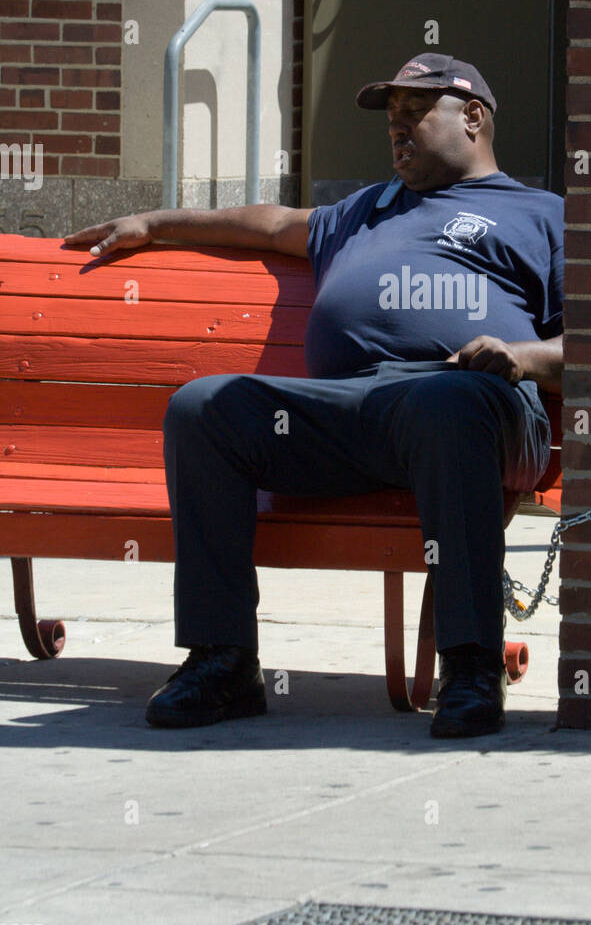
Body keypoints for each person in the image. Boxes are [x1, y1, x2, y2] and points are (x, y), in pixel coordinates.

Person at [65, 53, 564, 738]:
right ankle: (223, 660)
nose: (398, 131)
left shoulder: (542, 216)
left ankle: (472, 666)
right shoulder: (364, 211)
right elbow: (270, 226)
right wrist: (154, 223)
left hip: (479, 403)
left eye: (415, 114)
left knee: (447, 404)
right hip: (352, 411)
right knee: (204, 410)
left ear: (473, 116)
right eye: (392, 120)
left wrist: (522, 356)